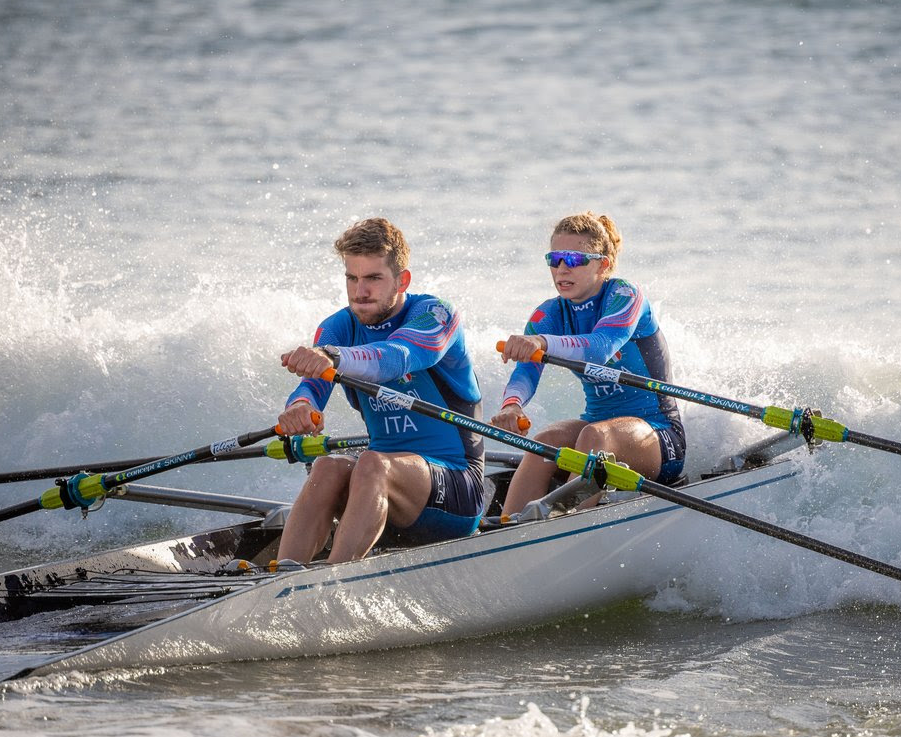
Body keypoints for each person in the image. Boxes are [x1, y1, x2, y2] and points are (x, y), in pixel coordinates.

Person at [273, 217, 487, 566]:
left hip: (456, 490)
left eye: (373, 278)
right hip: (381, 491)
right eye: (352, 279)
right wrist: (300, 406)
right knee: (327, 467)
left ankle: (333, 581)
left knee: (372, 464)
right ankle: (280, 575)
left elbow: (395, 358)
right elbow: (312, 385)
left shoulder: (435, 314)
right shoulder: (337, 327)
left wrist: (332, 357)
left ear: (402, 280)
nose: (360, 292)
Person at [491, 212, 686, 518]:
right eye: (554, 259)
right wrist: (512, 406)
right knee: (547, 441)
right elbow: (526, 370)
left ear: (602, 265)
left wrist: (542, 343)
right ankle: (505, 531)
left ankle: (565, 523)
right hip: (595, 432)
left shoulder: (625, 296)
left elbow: (600, 348)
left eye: (574, 259)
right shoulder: (548, 315)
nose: (562, 269)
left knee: (594, 437)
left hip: (658, 436)